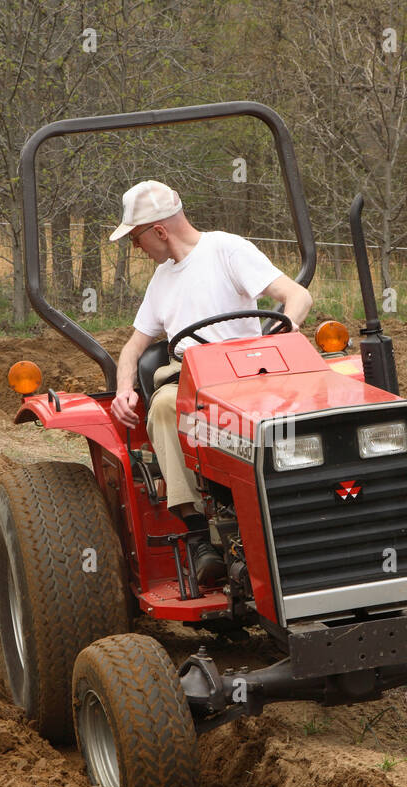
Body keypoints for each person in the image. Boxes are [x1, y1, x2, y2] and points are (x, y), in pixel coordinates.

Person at [109, 180, 313, 585]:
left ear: (159, 232)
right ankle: (201, 535)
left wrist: (282, 336)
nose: (136, 248)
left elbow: (297, 297)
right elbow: (133, 348)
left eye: (135, 238)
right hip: (188, 381)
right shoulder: (160, 281)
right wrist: (123, 389)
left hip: (247, 374)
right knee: (166, 405)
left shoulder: (226, 249)